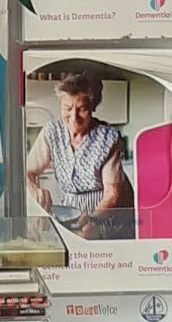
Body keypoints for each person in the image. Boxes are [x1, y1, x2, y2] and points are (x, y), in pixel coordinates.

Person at [26, 69, 134, 239]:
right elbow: (27, 171)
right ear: (60, 105)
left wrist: (93, 220)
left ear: (93, 107)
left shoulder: (107, 137)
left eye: (82, 109)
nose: (74, 117)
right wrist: (34, 188)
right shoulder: (51, 132)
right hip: (69, 211)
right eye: (67, 108)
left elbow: (112, 194)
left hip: (104, 213)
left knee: (92, 245)